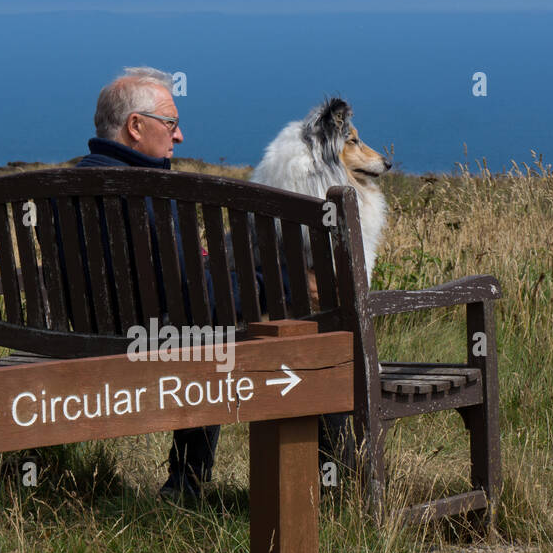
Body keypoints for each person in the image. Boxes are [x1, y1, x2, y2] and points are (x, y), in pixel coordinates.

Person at [66, 66, 354, 502]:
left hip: (82, 340)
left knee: (205, 329)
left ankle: (187, 482)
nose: (179, 137)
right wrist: (285, 284)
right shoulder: (153, 195)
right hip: (153, 344)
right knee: (314, 343)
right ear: (135, 127)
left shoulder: (61, 190)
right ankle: (338, 488)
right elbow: (197, 302)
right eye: (172, 124)